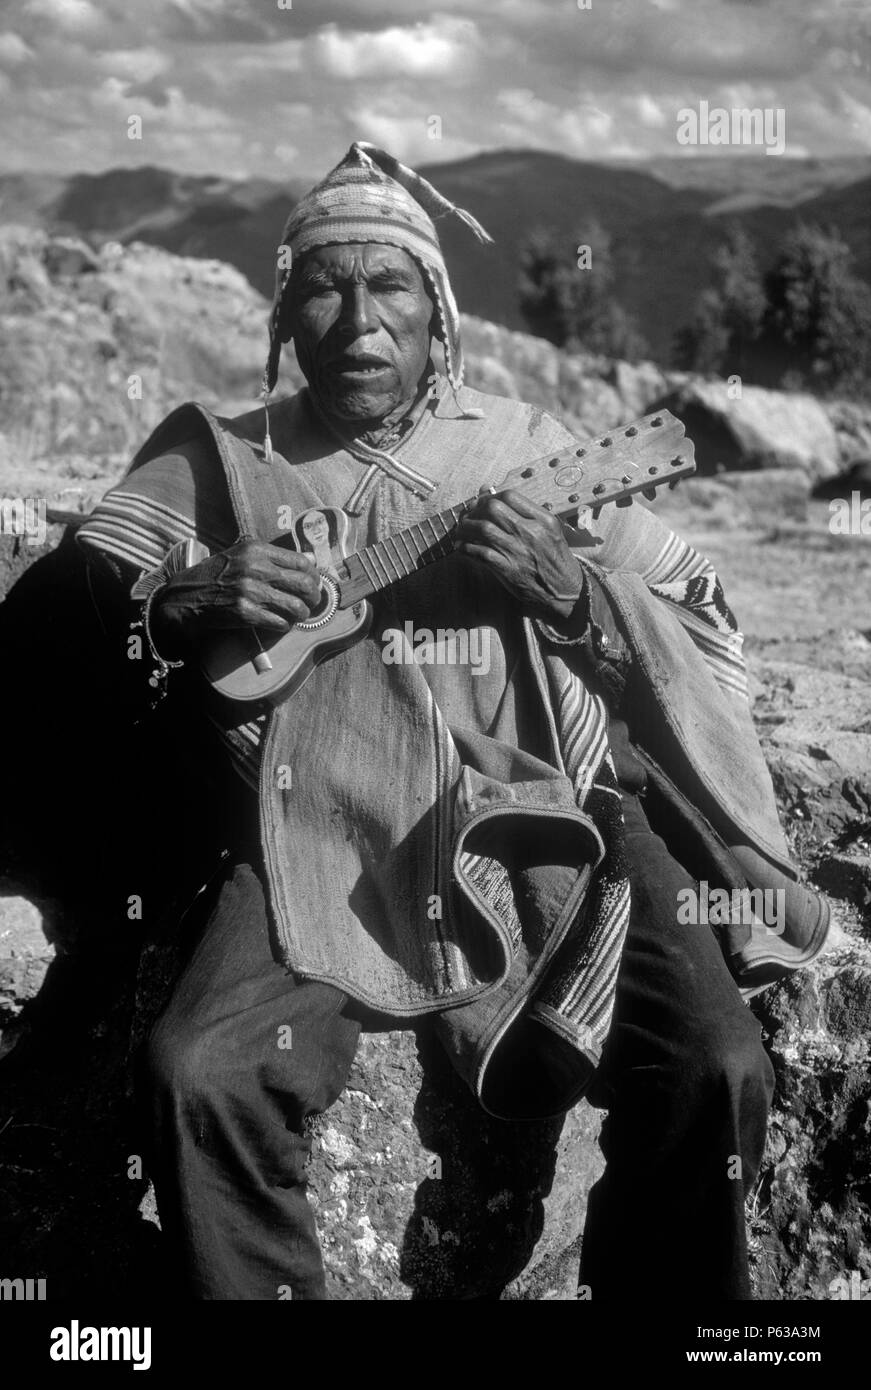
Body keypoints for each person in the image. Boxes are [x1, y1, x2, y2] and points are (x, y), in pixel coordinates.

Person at [76, 142, 829, 1301]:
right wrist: (184, 599)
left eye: (391, 289)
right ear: (285, 313)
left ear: (440, 317)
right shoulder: (224, 458)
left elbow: (700, 610)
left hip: (549, 807)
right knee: (198, 1067)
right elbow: (62, 606)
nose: (357, 322)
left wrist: (578, 597)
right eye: (325, 286)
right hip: (309, 825)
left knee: (716, 1064)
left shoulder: (528, 452)